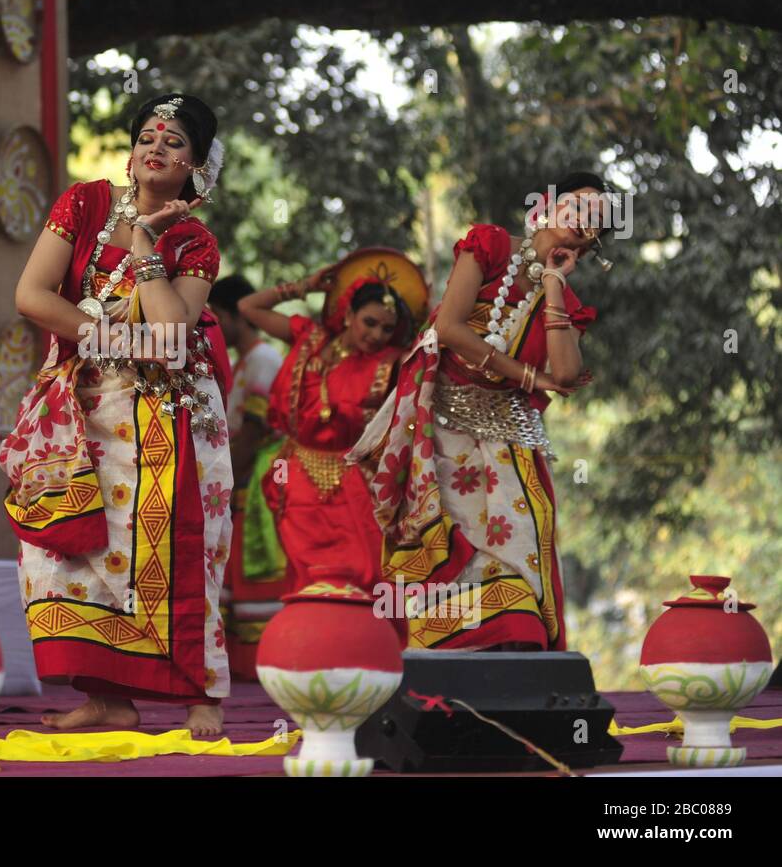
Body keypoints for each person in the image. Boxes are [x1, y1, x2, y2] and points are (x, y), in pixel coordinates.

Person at [1, 93, 232, 736]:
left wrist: (145, 244)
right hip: (81, 403)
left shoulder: (195, 242)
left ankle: (199, 694)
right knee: (69, 549)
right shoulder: (84, 203)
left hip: (170, 413)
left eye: (176, 141)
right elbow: (30, 295)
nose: (156, 146)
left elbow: (172, 330)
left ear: (196, 169)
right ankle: (106, 695)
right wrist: (115, 341)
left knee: (177, 548)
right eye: (148, 135)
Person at [349, 173, 610, 651]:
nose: (583, 220)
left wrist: (553, 282)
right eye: (578, 205)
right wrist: (529, 377)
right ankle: (447, 689)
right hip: (443, 431)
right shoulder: (489, 245)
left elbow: (568, 372)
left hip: (509, 444)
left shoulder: (567, 301)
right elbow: (449, 328)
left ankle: (516, 678)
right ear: (547, 205)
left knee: (522, 567)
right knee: (454, 557)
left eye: (596, 220)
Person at [241, 262, 417, 593]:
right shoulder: (310, 338)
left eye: (386, 328)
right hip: (291, 472)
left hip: (355, 480)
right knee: (307, 579)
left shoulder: (392, 362)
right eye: (370, 322)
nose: (377, 334)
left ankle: (368, 643)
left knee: (366, 575)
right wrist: (302, 286)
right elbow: (247, 307)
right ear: (348, 314)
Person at [209, 274, 288, 680]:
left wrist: (229, 481)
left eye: (216, 316)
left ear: (233, 315)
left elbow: (255, 433)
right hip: (244, 474)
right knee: (238, 568)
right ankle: (245, 663)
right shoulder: (243, 362)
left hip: (259, 477)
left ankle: (266, 661)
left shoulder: (263, 359)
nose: (213, 325)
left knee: (256, 565)